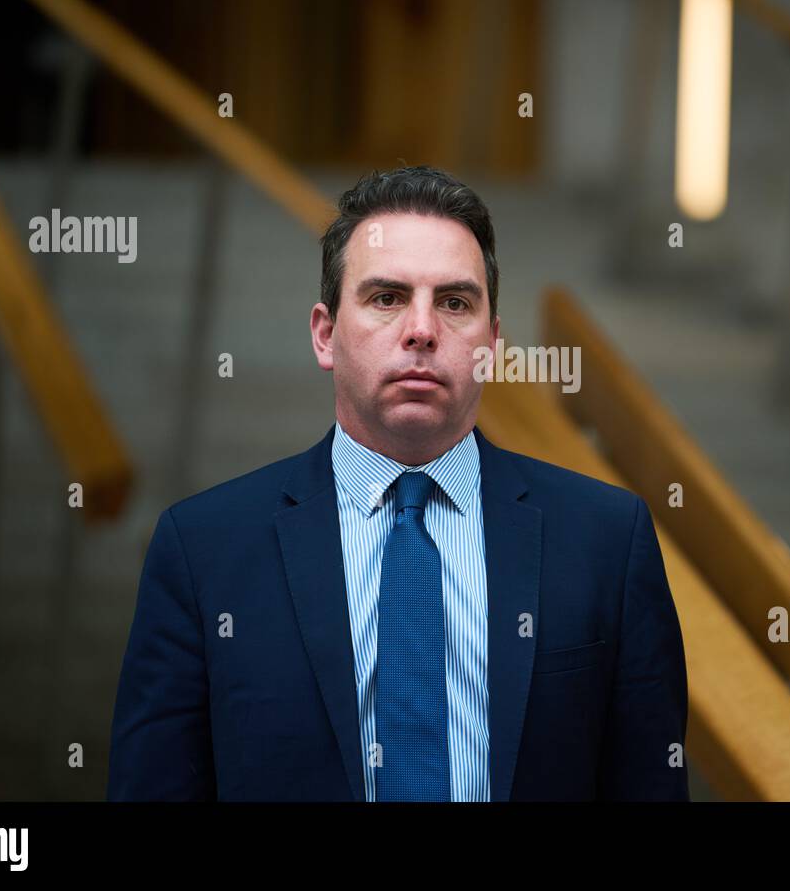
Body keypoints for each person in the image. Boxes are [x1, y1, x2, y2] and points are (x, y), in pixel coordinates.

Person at [107, 165, 688, 801]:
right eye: (386, 298)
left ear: (491, 346)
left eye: (455, 302)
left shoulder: (606, 540)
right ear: (325, 335)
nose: (422, 329)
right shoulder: (203, 551)